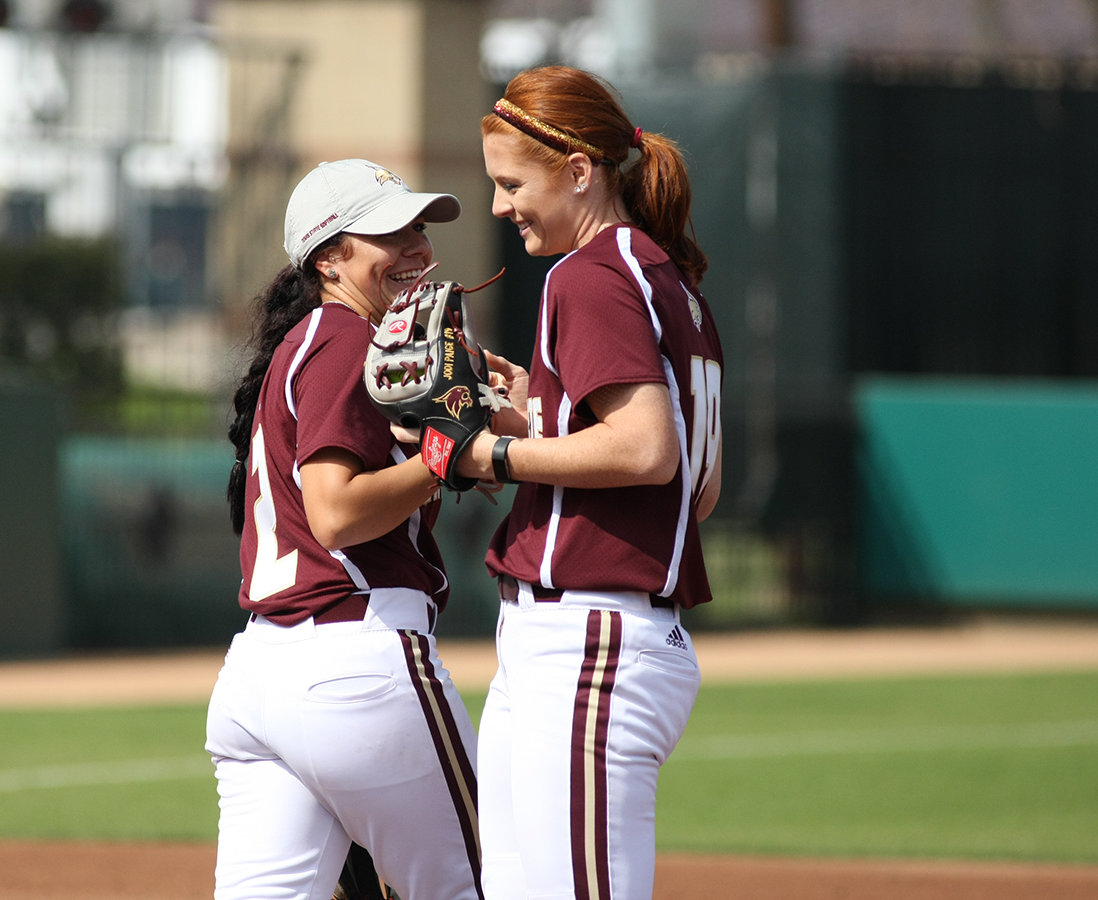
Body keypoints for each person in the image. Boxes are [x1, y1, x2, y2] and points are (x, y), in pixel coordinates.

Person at [455, 67, 725, 900]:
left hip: (591, 641)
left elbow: (647, 454)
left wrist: (490, 458)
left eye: (512, 184)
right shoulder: (665, 277)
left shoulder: (591, 275)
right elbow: (695, 490)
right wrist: (528, 406)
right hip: (573, 640)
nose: (501, 207)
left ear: (579, 171)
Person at [207, 159, 484, 900]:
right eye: (391, 232)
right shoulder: (340, 338)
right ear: (330, 257)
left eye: (420, 227)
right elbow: (335, 511)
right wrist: (443, 454)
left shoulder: (311, 343)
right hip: (357, 663)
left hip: (259, 681)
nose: (419, 246)